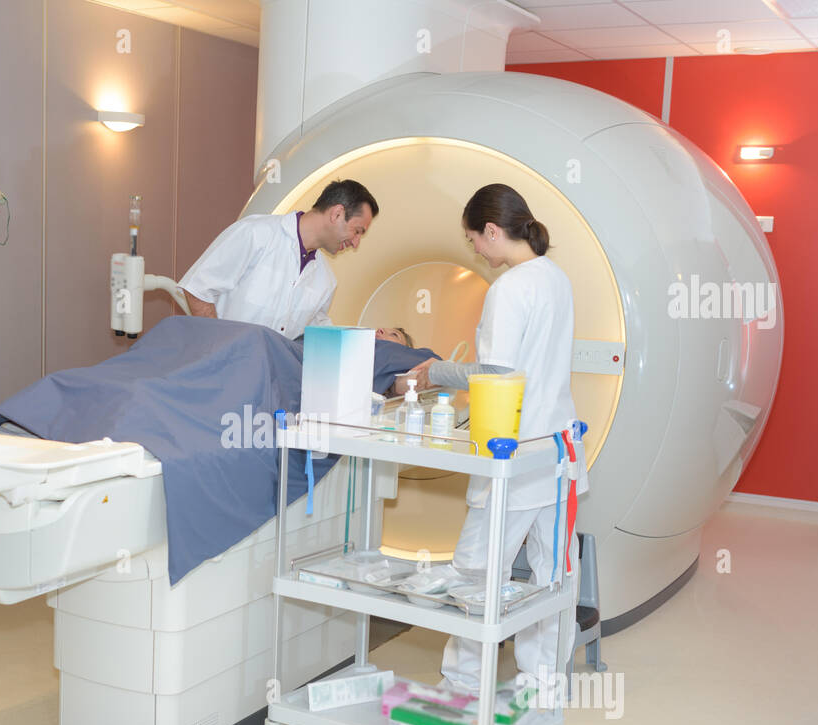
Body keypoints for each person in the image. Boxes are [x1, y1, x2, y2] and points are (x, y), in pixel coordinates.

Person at [408, 184, 588, 695]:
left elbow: (496, 373)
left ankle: (463, 685)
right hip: (558, 450)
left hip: (514, 453)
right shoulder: (556, 278)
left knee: (476, 571)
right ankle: (544, 681)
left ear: (492, 230)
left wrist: (436, 372)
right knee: (554, 574)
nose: (476, 254)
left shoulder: (510, 288)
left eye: (474, 241)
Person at [179, 180, 378, 339]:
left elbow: (317, 333)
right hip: (225, 364)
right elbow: (198, 289)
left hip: (272, 375)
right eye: (357, 231)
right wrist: (219, 348)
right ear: (336, 214)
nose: (356, 243)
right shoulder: (256, 234)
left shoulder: (326, 280)